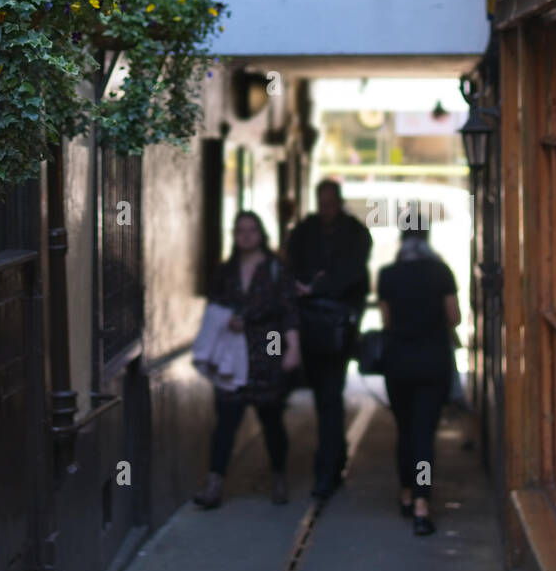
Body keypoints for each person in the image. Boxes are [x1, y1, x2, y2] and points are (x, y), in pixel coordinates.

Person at [193, 211, 301, 509]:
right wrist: (226, 320)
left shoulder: (276, 268)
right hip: (232, 353)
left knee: (271, 420)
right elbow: (213, 307)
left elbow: (289, 311)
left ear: (261, 233)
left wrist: (292, 348)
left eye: (251, 230)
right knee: (226, 421)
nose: (246, 235)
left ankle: (278, 476)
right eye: (240, 230)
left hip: (267, 348)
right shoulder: (225, 271)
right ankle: (214, 484)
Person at [286, 179, 372, 500]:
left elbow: (353, 274)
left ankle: (327, 470)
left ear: (339, 202)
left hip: (338, 329)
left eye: (330, 205)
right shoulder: (306, 230)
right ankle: (334, 458)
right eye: (321, 205)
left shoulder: (355, 233)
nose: (326, 211)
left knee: (330, 396)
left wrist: (318, 287)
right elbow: (291, 265)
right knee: (324, 398)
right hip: (309, 326)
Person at [377, 224, 461, 536]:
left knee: (405, 431)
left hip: (398, 363)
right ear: (427, 239)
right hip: (432, 363)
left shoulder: (388, 274)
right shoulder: (441, 272)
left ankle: (406, 494)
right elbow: (453, 317)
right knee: (424, 435)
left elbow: (386, 320)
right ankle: (422, 503)